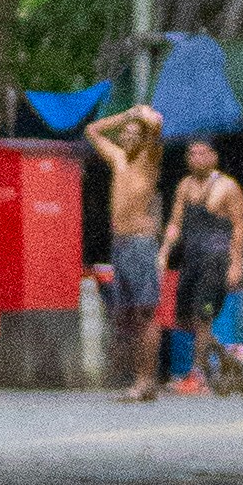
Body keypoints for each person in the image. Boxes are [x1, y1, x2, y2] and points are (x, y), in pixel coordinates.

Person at [87, 98, 169, 399]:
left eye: (136, 133)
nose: (129, 137)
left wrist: (143, 117)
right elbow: (93, 131)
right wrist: (125, 115)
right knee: (129, 313)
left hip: (140, 242)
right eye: (126, 133)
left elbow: (156, 126)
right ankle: (139, 379)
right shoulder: (119, 159)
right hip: (120, 242)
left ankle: (146, 381)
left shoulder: (148, 158)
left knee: (146, 312)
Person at [166, 132, 243, 392]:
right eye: (192, 153)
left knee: (203, 317)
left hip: (216, 260)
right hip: (191, 259)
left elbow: (239, 228)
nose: (197, 158)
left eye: (203, 153)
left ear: (214, 157)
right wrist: (163, 252)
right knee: (183, 319)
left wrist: (236, 264)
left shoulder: (228, 187)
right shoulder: (184, 186)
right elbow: (175, 223)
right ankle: (229, 352)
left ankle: (198, 374)